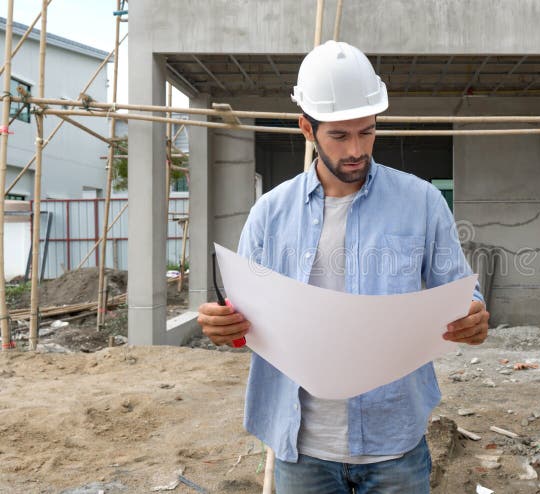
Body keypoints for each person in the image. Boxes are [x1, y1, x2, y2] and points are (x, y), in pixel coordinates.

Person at [196, 40, 490, 493]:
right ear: (307, 129)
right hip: (303, 447)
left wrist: (473, 317)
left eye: (367, 132)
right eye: (339, 135)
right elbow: (244, 320)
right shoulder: (270, 214)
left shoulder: (422, 203)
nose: (356, 149)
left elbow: (463, 294)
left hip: (395, 443)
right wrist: (224, 327)